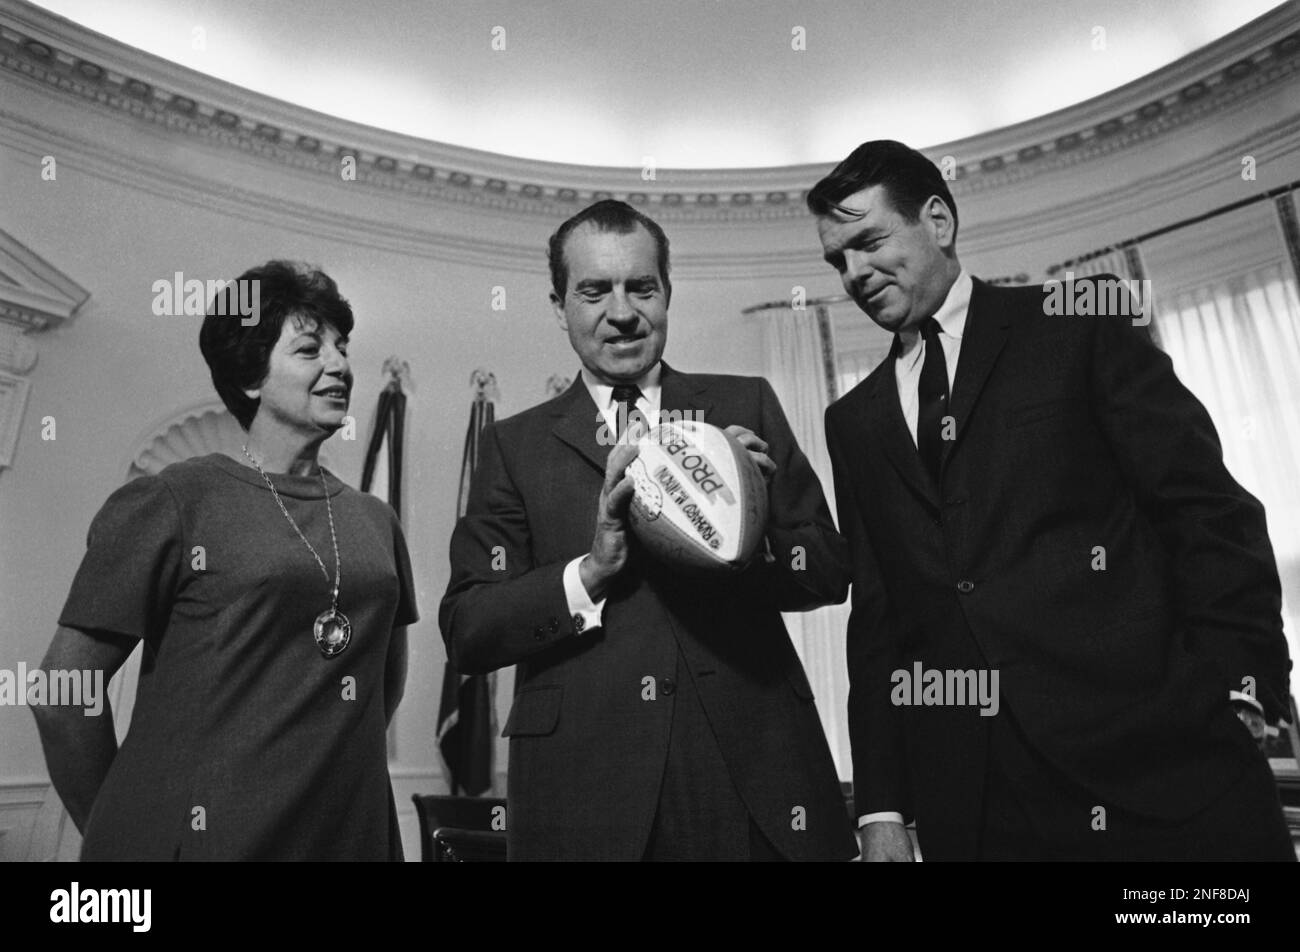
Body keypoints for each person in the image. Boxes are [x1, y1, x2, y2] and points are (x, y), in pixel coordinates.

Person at [815, 140, 1295, 862]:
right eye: (836, 260)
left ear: (938, 221)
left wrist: (1240, 690)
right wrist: (880, 805)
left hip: (1162, 771)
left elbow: (1205, 511)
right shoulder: (852, 421)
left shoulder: (1077, 322)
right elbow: (880, 622)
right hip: (980, 813)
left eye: (868, 242)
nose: (853, 272)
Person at [440, 200, 856, 861]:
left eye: (641, 287)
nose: (623, 312)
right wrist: (591, 572)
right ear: (559, 306)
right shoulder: (513, 446)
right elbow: (469, 629)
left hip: (757, 772)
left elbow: (828, 570)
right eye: (594, 290)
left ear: (667, 293)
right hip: (586, 795)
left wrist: (747, 530)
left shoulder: (745, 404)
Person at [33, 260, 418, 861]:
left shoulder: (378, 522)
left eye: (342, 348)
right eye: (309, 349)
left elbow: (377, 693)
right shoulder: (173, 501)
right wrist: (126, 833)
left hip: (350, 840)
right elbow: (62, 691)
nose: (339, 365)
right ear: (249, 378)